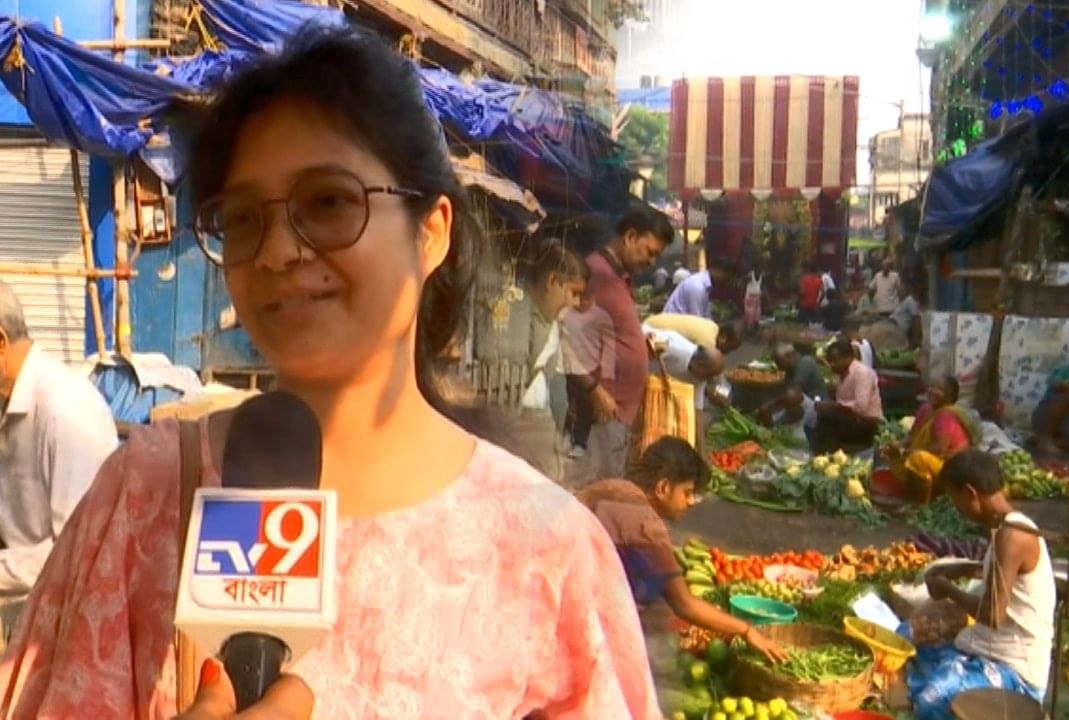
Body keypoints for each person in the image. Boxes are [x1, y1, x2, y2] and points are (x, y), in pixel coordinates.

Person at [0, 27, 661, 719]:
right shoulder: (141, 498)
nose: (279, 250)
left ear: (431, 230)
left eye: (329, 202)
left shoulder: (547, 552)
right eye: (244, 218)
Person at [577, 436, 787, 663]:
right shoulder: (646, 524)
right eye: (687, 492)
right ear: (663, 487)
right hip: (582, 618)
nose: (690, 502)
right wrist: (746, 630)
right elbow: (684, 604)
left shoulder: (612, 487)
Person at [0, 281, 118, 642]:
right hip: (25, 614)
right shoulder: (10, 399)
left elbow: (77, 551)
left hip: (70, 629)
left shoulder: (63, 411)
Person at [907, 450, 1056, 720]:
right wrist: (958, 569)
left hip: (1017, 671)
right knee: (911, 646)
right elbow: (999, 572)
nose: (958, 509)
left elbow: (992, 615)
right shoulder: (1002, 526)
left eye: (956, 501)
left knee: (930, 700)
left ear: (970, 493)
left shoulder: (1013, 535)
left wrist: (948, 589)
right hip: (989, 649)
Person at [586, 206, 674, 480]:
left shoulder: (618, 278)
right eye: (650, 252)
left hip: (619, 410)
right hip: (604, 409)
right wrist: (594, 390)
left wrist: (638, 345)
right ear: (630, 237)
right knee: (601, 490)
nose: (652, 262)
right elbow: (572, 339)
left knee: (611, 483)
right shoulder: (596, 274)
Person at [517, 241, 588, 482]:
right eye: (574, 292)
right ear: (552, 282)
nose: (577, 303)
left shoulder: (551, 324)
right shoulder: (518, 320)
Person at [885, 375, 980, 502]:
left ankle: (924, 504)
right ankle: (912, 493)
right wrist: (898, 446)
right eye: (931, 386)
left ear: (950, 395)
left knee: (918, 458)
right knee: (894, 456)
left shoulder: (946, 415)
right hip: (931, 459)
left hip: (951, 468)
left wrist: (905, 452)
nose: (932, 390)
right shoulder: (925, 409)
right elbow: (911, 436)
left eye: (939, 389)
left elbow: (939, 450)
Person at [562, 285, 616, 459]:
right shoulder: (565, 314)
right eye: (579, 297)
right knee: (565, 403)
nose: (582, 302)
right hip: (567, 367)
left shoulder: (601, 316)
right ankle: (564, 435)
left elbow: (609, 345)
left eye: (587, 298)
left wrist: (607, 372)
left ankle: (580, 442)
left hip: (590, 369)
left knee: (585, 408)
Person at [811, 340, 882, 454]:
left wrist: (835, 406)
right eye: (830, 361)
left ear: (848, 357)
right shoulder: (842, 375)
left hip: (866, 423)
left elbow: (861, 407)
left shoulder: (861, 373)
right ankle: (823, 455)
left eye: (835, 361)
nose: (832, 365)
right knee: (822, 416)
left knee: (827, 419)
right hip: (850, 419)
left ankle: (826, 455)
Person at [642, 326, 727, 410]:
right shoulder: (675, 348)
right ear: (701, 365)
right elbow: (645, 340)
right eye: (709, 375)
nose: (708, 380)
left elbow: (696, 407)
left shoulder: (699, 378)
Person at [756, 342, 827, 430]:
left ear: (789, 356)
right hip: (799, 407)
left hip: (816, 406)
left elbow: (792, 395)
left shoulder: (805, 363)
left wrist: (770, 404)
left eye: (779, 362)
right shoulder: (789, 370)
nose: (778, 366)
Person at [643, 313, 743, 354]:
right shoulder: (708, 341)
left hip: (652, 322)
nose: (727, 353)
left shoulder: (712, 326)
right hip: (652, 331)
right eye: (729, 348)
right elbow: (703, 367)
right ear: (723, 339)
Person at [661, 261, 730, 318]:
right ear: (716, 271)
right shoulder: (698, 286)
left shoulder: (705, 284)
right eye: (725, 277)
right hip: (673, 326)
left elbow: (705, 313)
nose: (725, 281)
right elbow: (697, 319)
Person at [744, 268, 764, 332]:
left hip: (757, 297)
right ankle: (749, 328)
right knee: (750, 313)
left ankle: (755, 327)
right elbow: (744, 284)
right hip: (750, 297)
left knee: (757, 313)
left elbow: (760, 286)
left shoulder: (761, 275)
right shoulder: (750, 275)